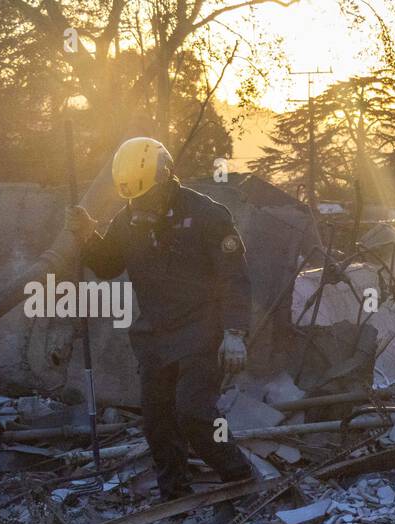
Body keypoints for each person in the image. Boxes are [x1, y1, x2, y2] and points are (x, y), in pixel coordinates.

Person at [65, 137, 255, 500]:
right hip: (154, 337)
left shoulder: (208, 216)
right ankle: (174, 494)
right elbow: (108, 265)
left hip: (202, 333)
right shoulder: (130, 219)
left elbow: (235, 277)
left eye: (147, 195)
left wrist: (234, 333)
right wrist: (88, 235)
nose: (139, 204)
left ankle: (239, 476)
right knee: (157, 423)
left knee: (194, 413)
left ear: (167, 179)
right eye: (132, 198)